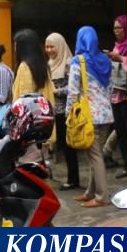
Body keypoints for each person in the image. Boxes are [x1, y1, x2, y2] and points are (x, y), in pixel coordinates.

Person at [66, 26, 113, 208]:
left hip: (89, 116)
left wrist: (69, 113)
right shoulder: (105, 60)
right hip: (106, 113)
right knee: (96, 154)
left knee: (95, 156)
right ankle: (90, 192)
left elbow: (72, 91)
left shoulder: (78, 61)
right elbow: (110, 87)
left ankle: (102, 197)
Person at [11, 29, 56, 162]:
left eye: (16, 45)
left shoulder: (24, 67)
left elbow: (23, 100)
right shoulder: (44, 66)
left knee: (28, 166)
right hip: (43, 125)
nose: (15, 48)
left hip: (29, 128)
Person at [46, 32, 80, 190]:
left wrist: (56, 91)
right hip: (53, 111)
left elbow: (74, 88)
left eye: (52, 46)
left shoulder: (69, 63)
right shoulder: (49, 64)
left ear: (60, 46)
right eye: (47, 47)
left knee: (68, 147)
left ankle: (73, 179)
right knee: (58, 145)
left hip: (66, 111)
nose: (49, 50)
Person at [106, 15, 127, 178]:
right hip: (115, 93)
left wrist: (120, 59)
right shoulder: (116, 46)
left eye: (119, 28)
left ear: (126, 28)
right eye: (115, 28)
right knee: (121, 132)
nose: (116, 31)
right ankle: (126, 164)